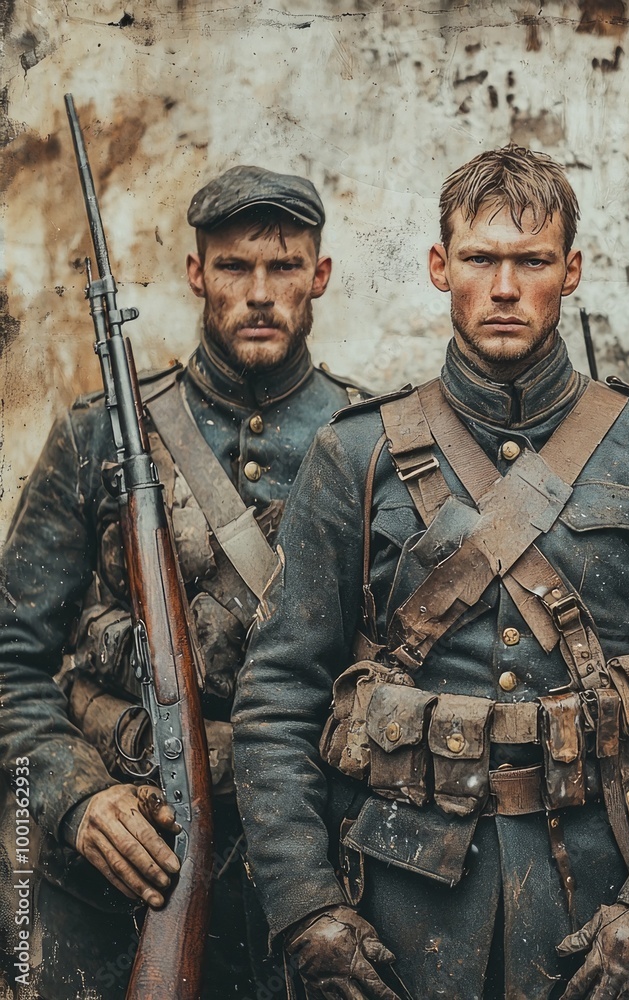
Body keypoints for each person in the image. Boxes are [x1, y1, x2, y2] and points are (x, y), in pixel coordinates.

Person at [232, 144, 629, 1000]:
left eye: (532, 261)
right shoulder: (355, 453)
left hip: (596, 915)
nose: (505, 288)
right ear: (442, 267)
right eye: (481, 259)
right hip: (396, 916)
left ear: (572, 269)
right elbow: (280, 692)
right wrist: (306, 909)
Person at [0, 165, 363, 999]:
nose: (260, 292)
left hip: (305, 893)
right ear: (198, 273)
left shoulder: (368, 444)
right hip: (113, 886)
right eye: (235, 267)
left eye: (284, 267)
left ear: (322, 276)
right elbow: (12, 659)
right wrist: (70, 798)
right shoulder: (96, 439)